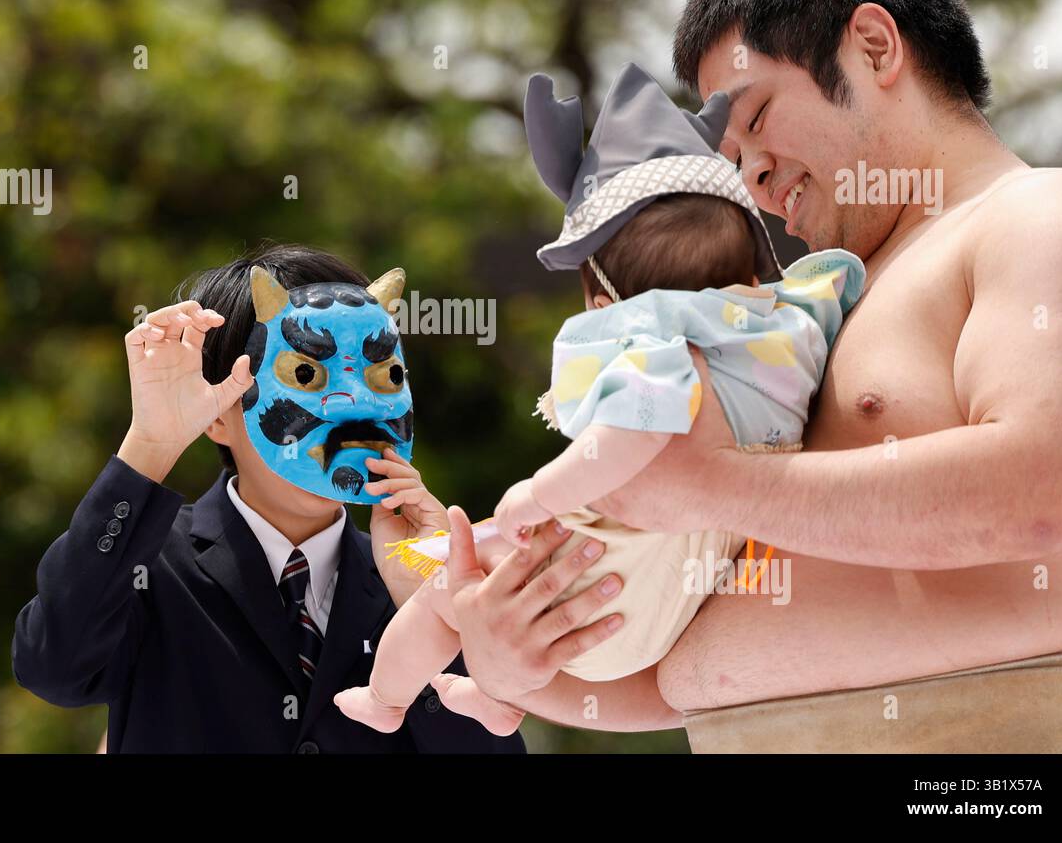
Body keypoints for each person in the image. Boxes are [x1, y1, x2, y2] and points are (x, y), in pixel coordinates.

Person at [431, 0, 1062, 752]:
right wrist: (520, 665)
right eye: (730, 154)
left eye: (756, 118)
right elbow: (683, 644)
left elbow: (1045, 491)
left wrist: (709, 483)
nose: (750, 176)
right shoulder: (793, 319)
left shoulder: (1045, 215)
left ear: (875, 48)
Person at [334, 63, 863, 736]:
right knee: (458, 573)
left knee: (444, 596)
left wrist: (543, 493)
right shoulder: (785, 327)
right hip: (680, 595)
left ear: (602, 299)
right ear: (749, 269)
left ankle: (387, 701)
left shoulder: (654, 339)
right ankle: (497, 697)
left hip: (607, 592)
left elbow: (633, 434)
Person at [11, 243, 525, 753]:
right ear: (216, 411)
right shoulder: (151, 568)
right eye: (306, 374)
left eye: (385, 374)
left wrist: (430, 604)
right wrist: (150, 445)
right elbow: (54, 668)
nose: (358, 405)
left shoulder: (411, 577)